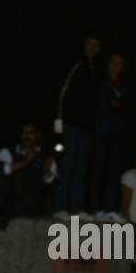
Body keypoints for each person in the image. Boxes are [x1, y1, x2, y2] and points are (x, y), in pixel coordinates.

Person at [53, 34, 101, 217]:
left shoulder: (95, 68)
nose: (93, 48)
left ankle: (76, 208)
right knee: (67, 165)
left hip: (86, 127)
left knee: (81, 168)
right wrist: (58, 121)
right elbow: (62, 92)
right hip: (71, 124)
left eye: (96, 45)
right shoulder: (76, 63)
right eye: (90, 44)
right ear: (84, 45)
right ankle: (59, 208)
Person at [0, 123, 57, 231]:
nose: (27, 136)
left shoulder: (45, 156)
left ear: (37, 135)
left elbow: (49, 181)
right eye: (24, 133)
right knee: (1, 181)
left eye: (31, 133)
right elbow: (4, 170)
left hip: (31, 203)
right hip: (11, 198)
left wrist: (46, 171)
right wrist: (27, 160)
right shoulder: (7, 151)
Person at [90, 53, 131, 218]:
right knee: (98, 170)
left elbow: (127, 108)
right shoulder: (100, 82)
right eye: (113, 63)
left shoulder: (124, 86)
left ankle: (110, 209)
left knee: (114, 172)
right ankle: (95, 209)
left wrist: (119, 106)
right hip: (100, 133)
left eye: (119, 64)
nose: (115, 66)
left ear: (122, 67)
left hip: (118, 134)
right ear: (108, 65)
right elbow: (98, 106)